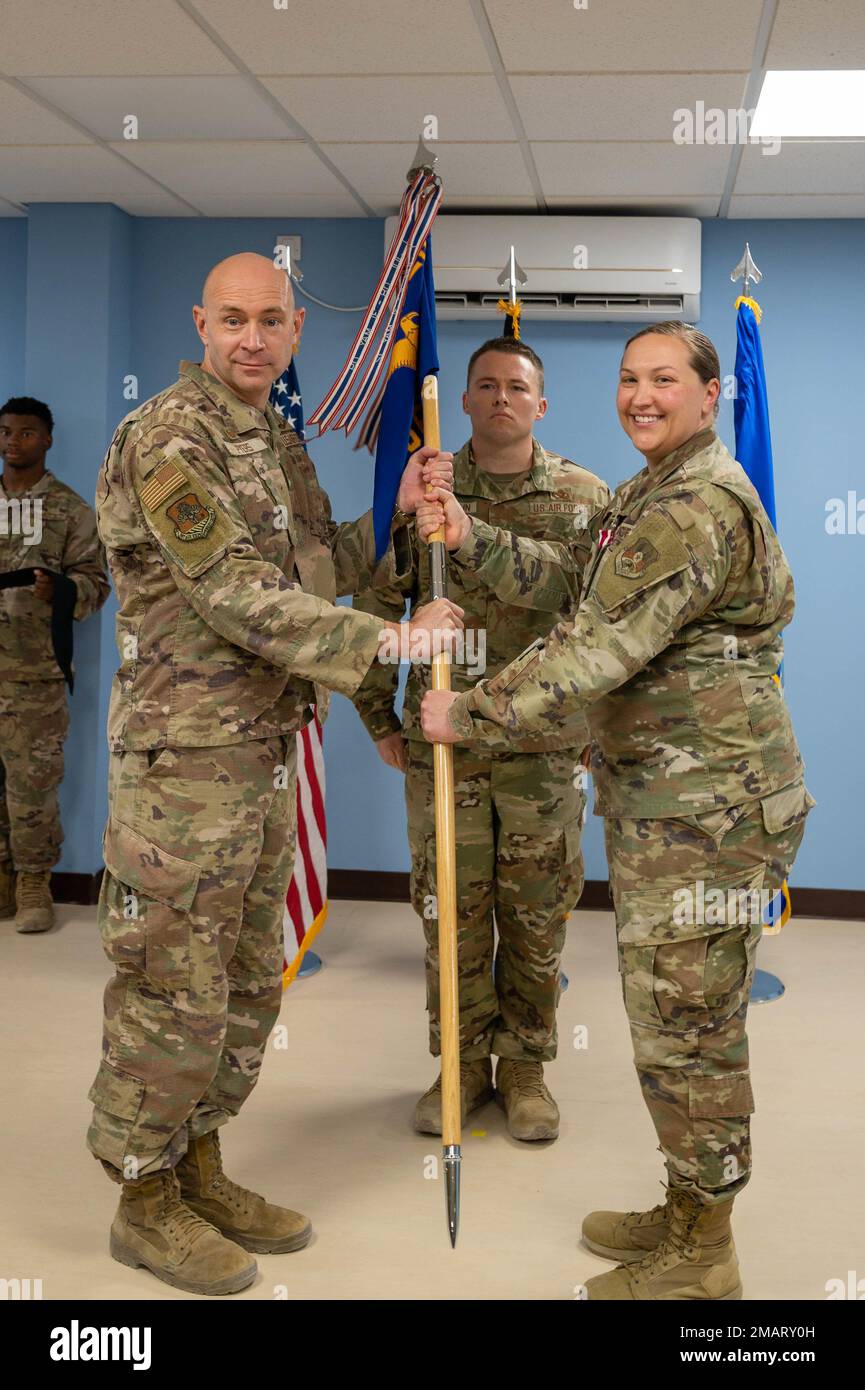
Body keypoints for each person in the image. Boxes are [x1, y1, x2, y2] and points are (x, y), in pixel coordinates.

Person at [91, 252, 462, 1296]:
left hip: (262, 754)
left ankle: (199, 1163)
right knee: (174, 987)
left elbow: (309, 570)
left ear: (296, 330)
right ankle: (141, 1197)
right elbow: (237, 597)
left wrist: (390, 512)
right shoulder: (169, 436)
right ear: (200, 322)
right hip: (185, 767)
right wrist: (392, 642)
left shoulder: (271, 436)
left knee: (248, 980)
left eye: (270, 322)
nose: (251, 339)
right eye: (232, 321)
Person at [420, 321, 813, 1300]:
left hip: (710, 812)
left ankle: (705, 1251)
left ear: (707, 392)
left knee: (694, 1029)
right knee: (671, 1021)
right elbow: (570, 583)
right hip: (673, 801)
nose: (640, 395)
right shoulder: (651, 492)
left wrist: (463, 710)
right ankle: (685, 1210)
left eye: (664, 379)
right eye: (630, 378)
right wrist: (471, 537)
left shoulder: (692, 506)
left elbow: (587, 650)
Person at [353, 337, 609, 1141]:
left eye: (518, 388)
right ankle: (458, 1065)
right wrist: (377, 714)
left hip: (543, 743)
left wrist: (599, 730)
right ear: (462, 402)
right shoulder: (426, 490)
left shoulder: (583, 496)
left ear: (542, 406)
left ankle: (526, 1068)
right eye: (486, 386)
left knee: (537, 912)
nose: (501, 399)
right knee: (450, 908)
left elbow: (590, 603)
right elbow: (377, 596)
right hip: (442, 742)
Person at [0, 396, 109, 933]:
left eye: (25, 433)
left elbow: (98, 582)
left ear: (47, 440)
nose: (12, 441)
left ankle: (33, 882)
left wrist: (59, 590)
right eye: (5, 432)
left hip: (34, 674)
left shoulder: (69, 511)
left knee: (32, 784)